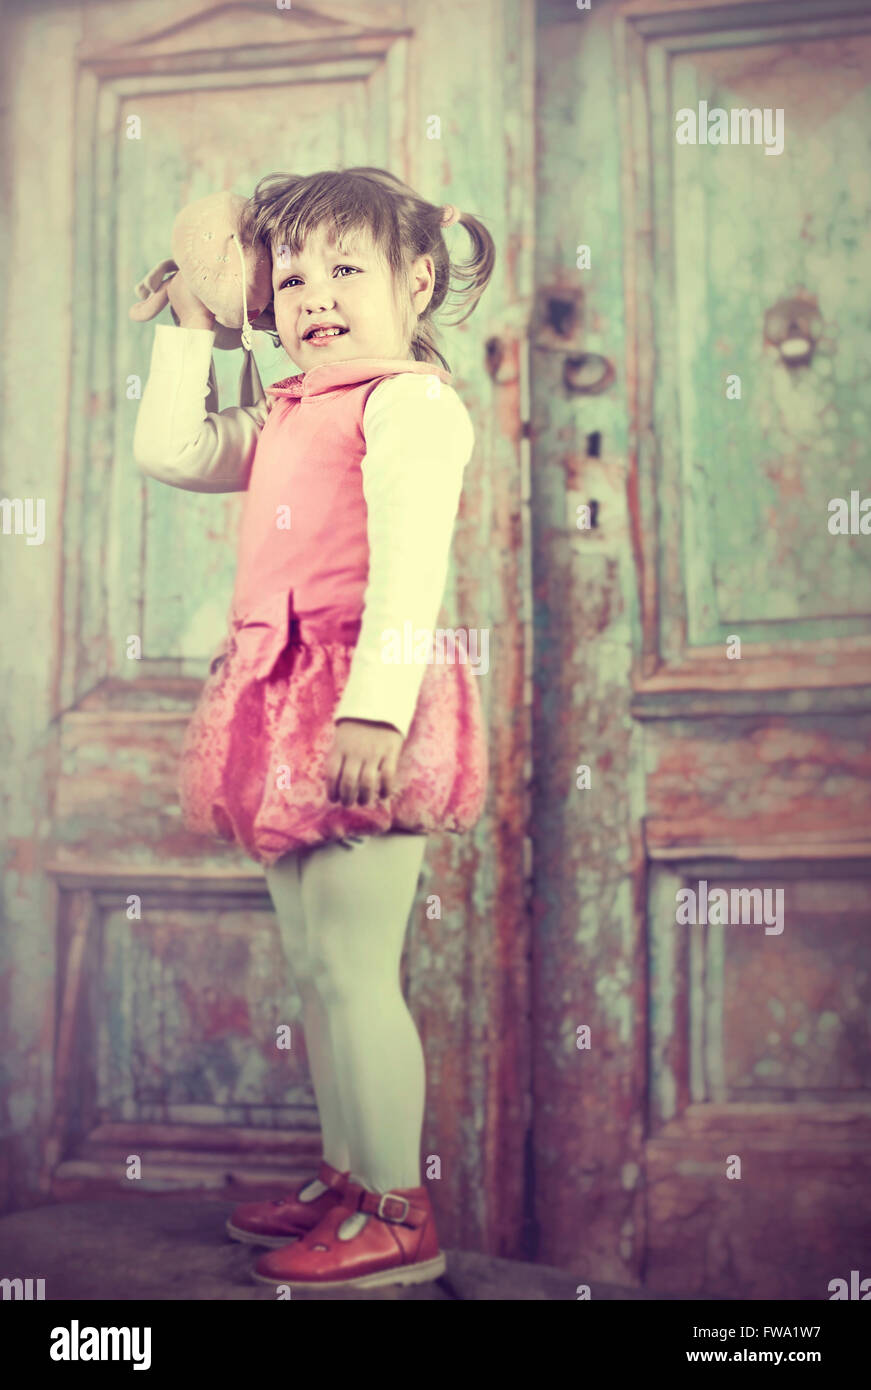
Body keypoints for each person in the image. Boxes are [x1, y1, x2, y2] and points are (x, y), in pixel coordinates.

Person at [132, 167, 495, 1291]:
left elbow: (409, 570)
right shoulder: (290, 407)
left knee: (354, 965)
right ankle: (347, 1178)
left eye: (347, 268)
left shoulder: (410, 404)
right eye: (291, 275)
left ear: (415, 280)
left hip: (357, 701)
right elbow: (171, 450)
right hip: (287, 700)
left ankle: (396, 1208)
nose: (315, 295)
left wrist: (376, 707)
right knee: (315, 965)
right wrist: (192, 328)